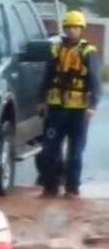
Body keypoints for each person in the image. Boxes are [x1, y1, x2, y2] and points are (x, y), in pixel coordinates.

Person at [39, 10, 100, 198]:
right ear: (64, 28)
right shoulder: (55, 51)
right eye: (69, 27)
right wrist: (41, 101)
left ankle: (72, 189)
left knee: (75, 153)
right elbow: (47, 78)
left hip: (79, 112)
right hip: (56, 110)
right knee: (50, 150)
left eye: (76, 27)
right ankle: (50, 186)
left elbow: (95, 82)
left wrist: (91, 106)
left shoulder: (88, 52)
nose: (72, 30)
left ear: (81, 29)